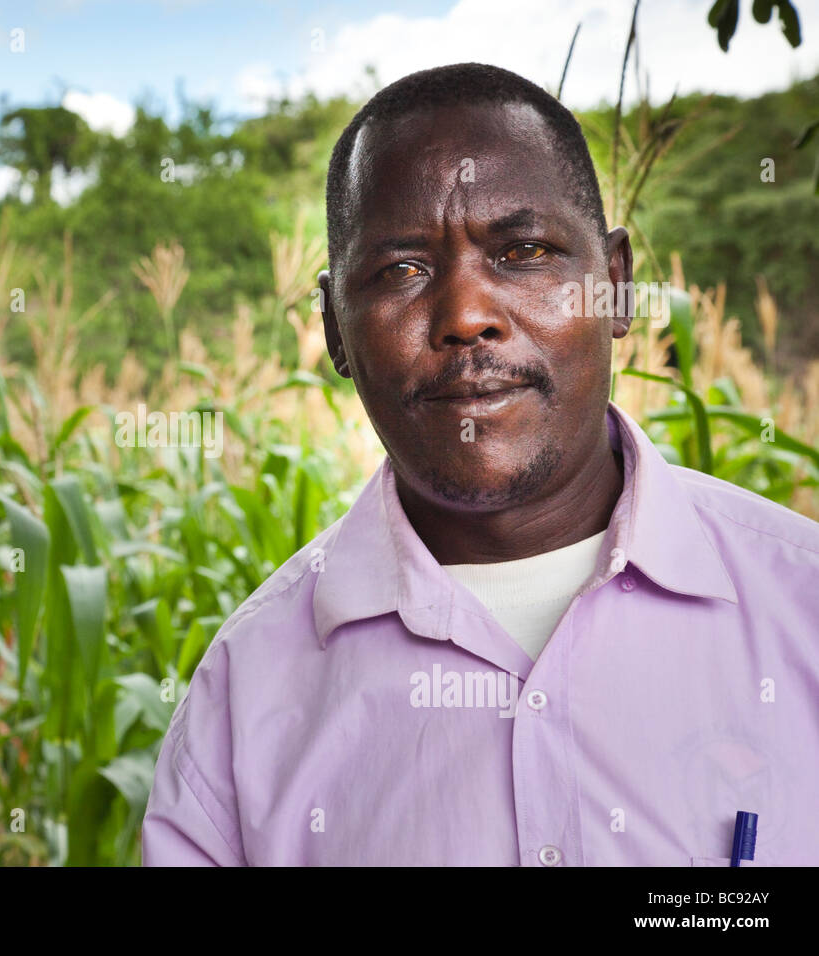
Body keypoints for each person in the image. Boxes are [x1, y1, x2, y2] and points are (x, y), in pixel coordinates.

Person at [141, 62, 819, 866]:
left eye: (524, 251)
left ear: (615, 287)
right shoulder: (244, 699)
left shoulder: (801, 605)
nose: (465, 316)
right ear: (333, 332)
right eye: (402, 271)